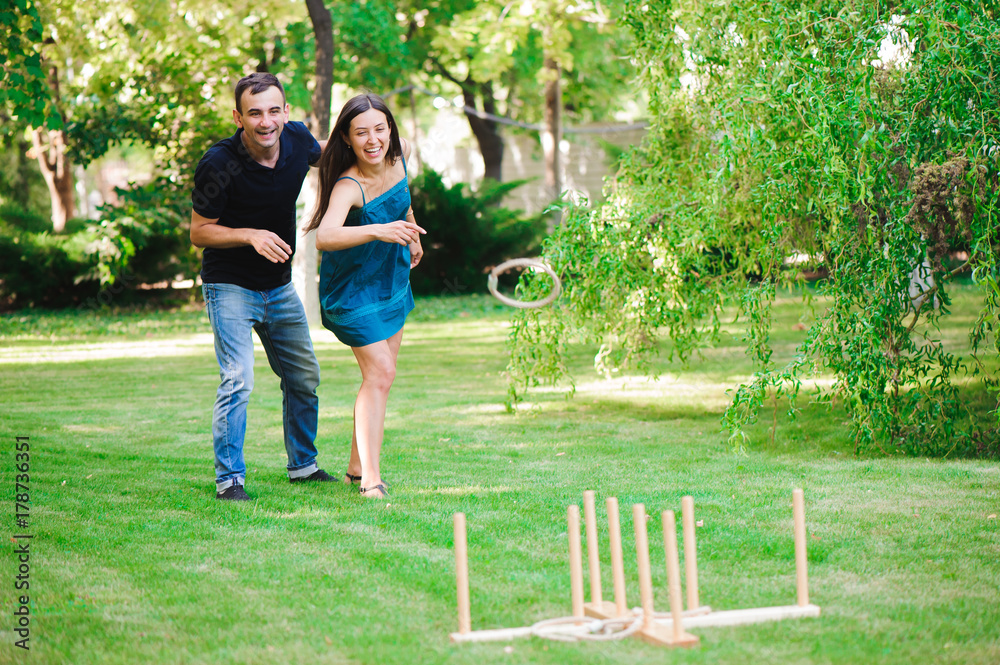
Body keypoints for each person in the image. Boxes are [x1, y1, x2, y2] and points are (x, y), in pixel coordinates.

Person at [191, 72, 336, 501]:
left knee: (304, 375)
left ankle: (303, 466)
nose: (266, 121)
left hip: (279, 285)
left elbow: (324, 152)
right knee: (238, 378)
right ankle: (230, 479)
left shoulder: (296, 140)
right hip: (230, 284)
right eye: (255, 113)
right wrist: (249, 234)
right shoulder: (218, 164)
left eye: (274, 110)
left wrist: (370, 144)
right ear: (239, 117)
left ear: (286, 113)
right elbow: (199, 232)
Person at [304, 93, 425, 500]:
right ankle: (372, 481)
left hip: (390, 280)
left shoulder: (401, 154)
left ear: (390, 129)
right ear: (348, 139)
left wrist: (409, 231)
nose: (373, 139)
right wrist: (380, 230)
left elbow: (402, 198)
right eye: (361, 133)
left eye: (379, 129)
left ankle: (357, 470)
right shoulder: (348, 184)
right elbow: (326, 236)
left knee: (381, 378)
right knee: (381, 373)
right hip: (352, 294)